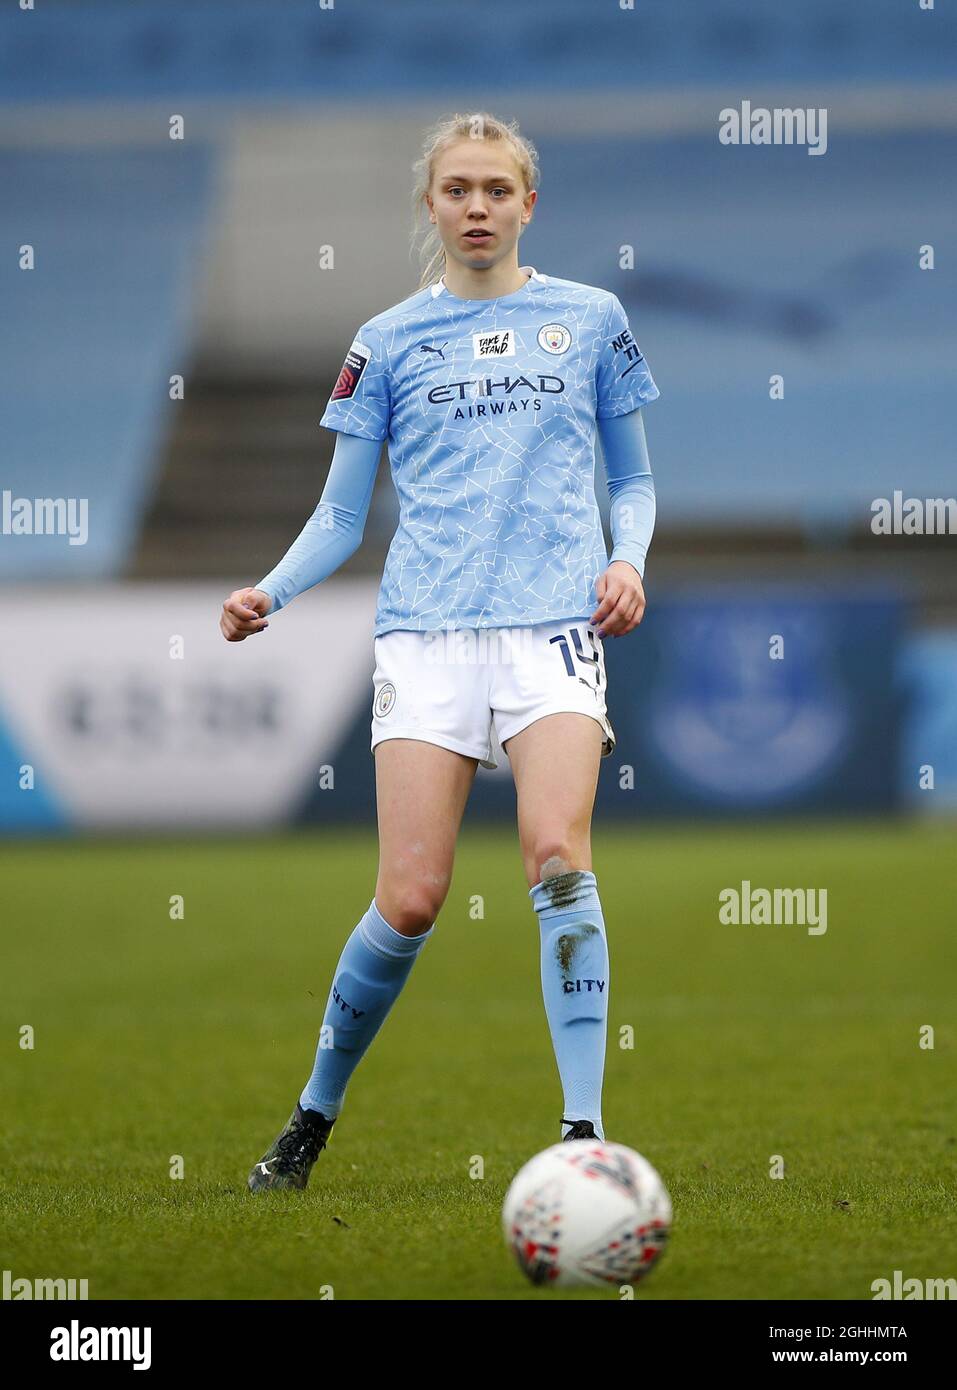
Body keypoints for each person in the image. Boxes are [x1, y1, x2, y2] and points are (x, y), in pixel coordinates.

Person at [220, 112, 659, 1192]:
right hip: (424, 636)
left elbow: (634, 480)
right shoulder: (387, 340)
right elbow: (340, 515)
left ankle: (581, 1134)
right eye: (457, 189)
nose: (477, 207)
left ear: (527, 204)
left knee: (559, 854)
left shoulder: (591, 319)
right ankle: (313, 1115)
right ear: (431, 204)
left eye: (496, 190)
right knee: (412, 896)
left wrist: (627, 559)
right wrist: (268, 592)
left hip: (554, 625)